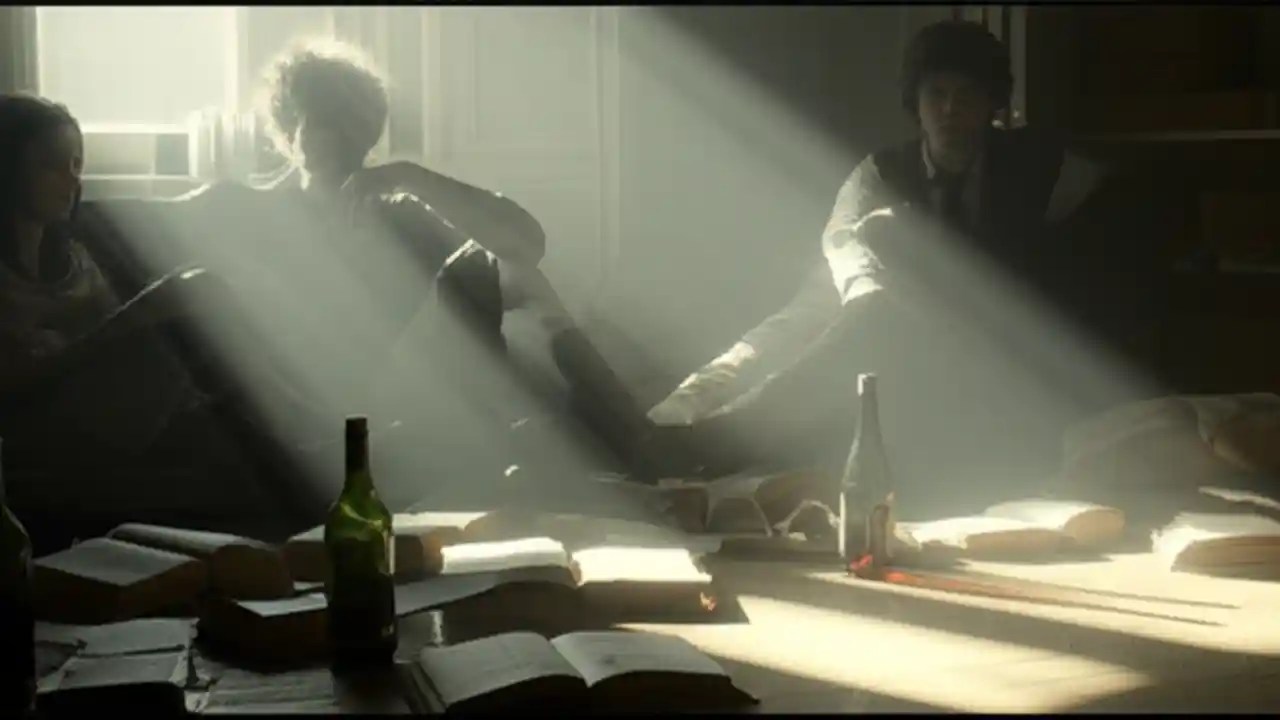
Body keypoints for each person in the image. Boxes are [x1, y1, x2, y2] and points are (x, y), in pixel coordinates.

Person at [654, 21, 1168, 512]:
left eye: (968, 95)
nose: (950, 109)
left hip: (992, 352)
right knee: (794, 344)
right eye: (936, 94)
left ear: (992, 104)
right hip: (871, 324)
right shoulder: (875, 181)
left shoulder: (1037, 165)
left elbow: (1125, 197)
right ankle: (699, 434)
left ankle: (708, 440)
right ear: (915, 104)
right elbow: (854, 299)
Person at [0, 93, 309, 551]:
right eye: (51, 165)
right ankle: (314, 442)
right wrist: (133, 322)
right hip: (45, 422)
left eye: (77, 165)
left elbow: (107, 344)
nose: (70, 181)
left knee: (215, 370)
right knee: (196, 292)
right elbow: (20, 383)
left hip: (113, 403)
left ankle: (307, 450)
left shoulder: (74, 256)